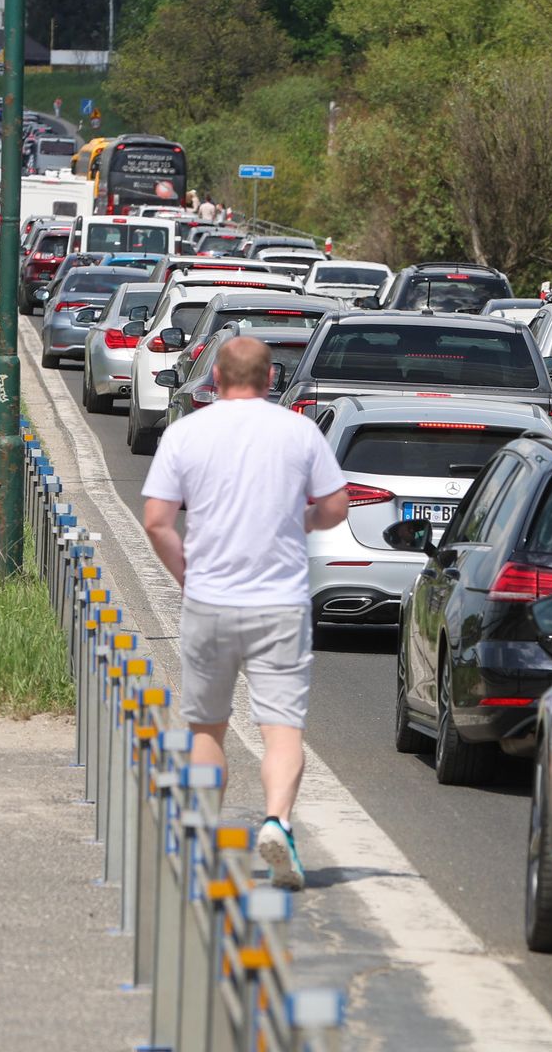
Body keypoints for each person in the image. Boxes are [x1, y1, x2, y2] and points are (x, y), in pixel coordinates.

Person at [141, 336, 348, 891]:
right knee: (282, 730)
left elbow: (157, 521)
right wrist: (300, 522)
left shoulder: (187, 433)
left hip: (209, 600)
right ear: (270, 378)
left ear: (215, 378)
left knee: (207, 726)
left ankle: (204, 836)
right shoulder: (298, 432)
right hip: (278, 603)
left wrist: (186, 575)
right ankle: (277, 821)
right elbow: (335, 506)